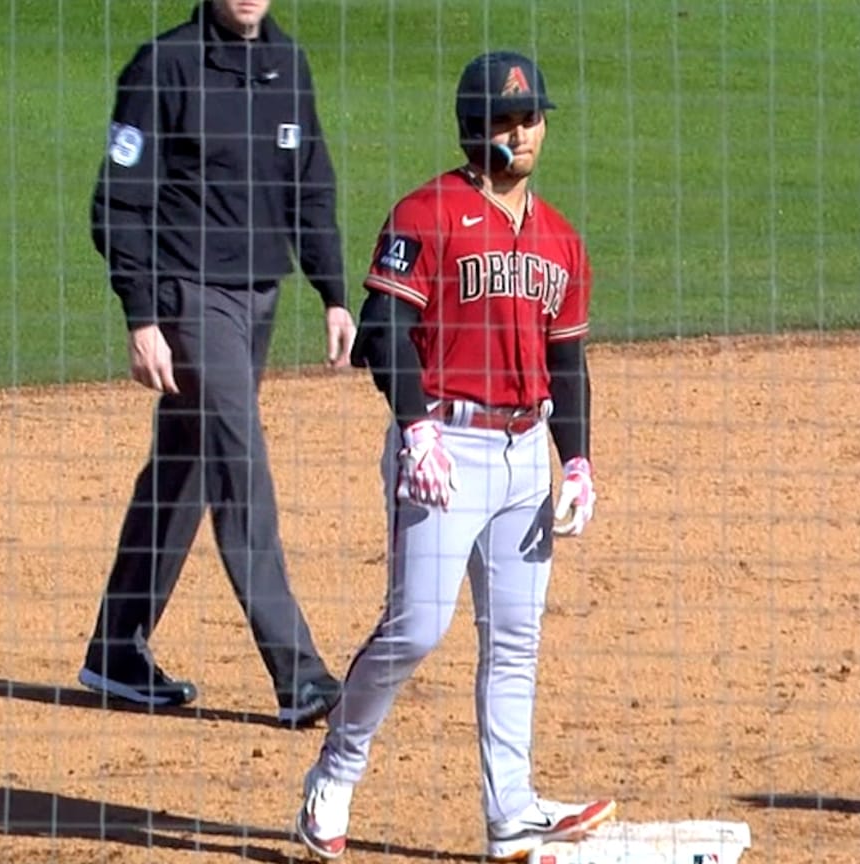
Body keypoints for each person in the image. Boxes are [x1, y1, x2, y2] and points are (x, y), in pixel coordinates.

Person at [293, 50, 613, 860]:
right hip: (443, 447)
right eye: (506, 119)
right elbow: (382, 330)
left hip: (522, 460)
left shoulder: (560, 241)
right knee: (417, 626)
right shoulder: (426, 213)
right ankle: (336, 770)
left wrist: (575, 460)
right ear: (474, 128)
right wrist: (416, 426)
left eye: (531, 116)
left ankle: (511, 814)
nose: (522, 131)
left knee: (515, 639)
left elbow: (566, 363)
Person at [80, 0, 354, 728]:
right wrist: (142, 316)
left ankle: (115, 650)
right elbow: (118, 200)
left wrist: (332, 292)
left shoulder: (286, 66)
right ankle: (300, 677)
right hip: (190, 299)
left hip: (261, 295)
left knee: (187, 466)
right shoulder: (163, 65)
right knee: (242, 468)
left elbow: (311, 186)